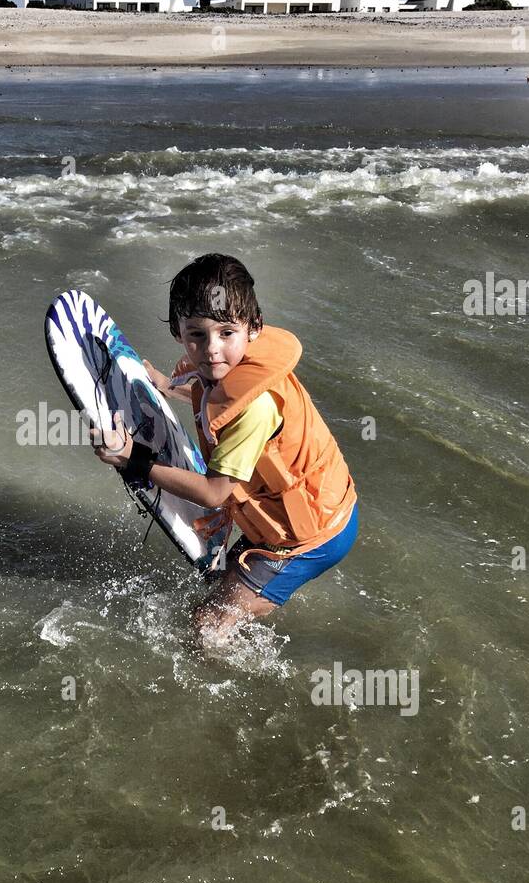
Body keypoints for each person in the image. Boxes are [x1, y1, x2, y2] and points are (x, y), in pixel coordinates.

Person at [94, 254, 359, 649]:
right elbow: (214, 400)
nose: (211, 349)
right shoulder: (229, 371)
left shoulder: (257, 407)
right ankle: (246, 611)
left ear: (254, 329)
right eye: (196, 335)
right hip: (298, 517)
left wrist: (134, 459)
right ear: (177, 332)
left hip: (309, 537)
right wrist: (168, 386)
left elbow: (215, 492)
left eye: (225, 333)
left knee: (205, 626)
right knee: (218, 591)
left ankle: (224, 698)